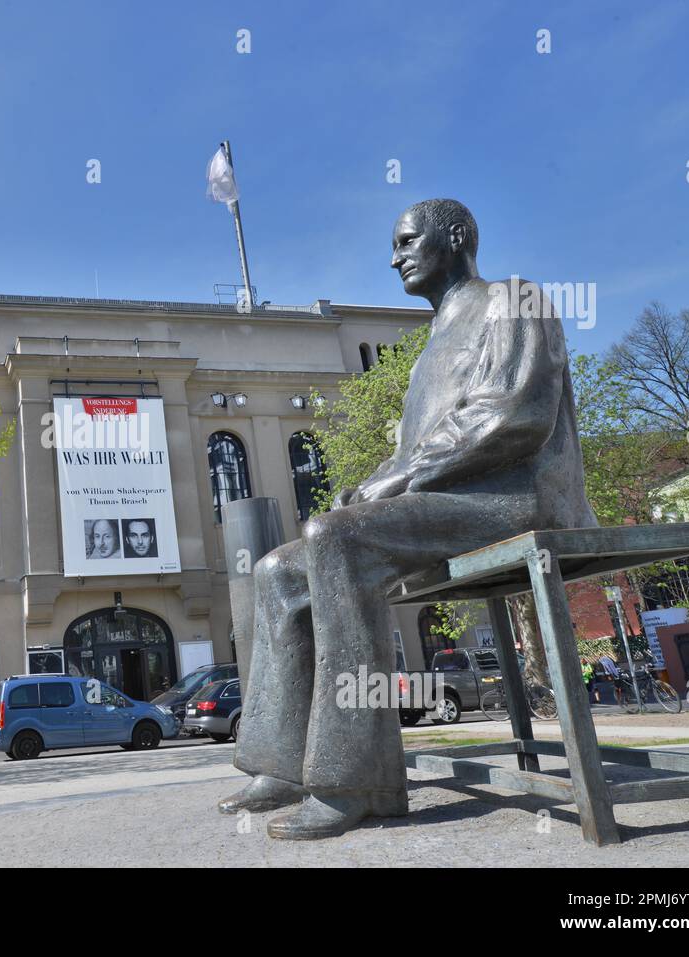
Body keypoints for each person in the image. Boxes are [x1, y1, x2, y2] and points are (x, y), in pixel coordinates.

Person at [221, 199, 598, 840]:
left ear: (453, 237)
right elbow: (411, 453)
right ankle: (282, 765)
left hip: (518, 499)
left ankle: (354, 780)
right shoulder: (426, 353)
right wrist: (371, 484)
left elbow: (514, 414)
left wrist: (394, 479)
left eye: (406, 241)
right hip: (453, 504)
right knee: (279, 570)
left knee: (334, 539)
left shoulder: (515, 299)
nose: (394, 256)